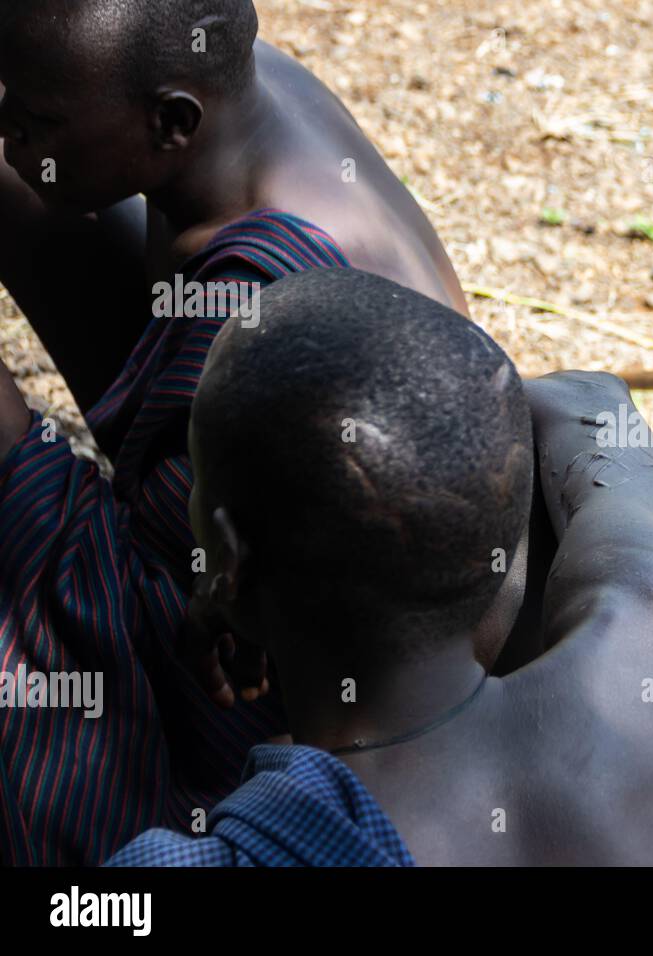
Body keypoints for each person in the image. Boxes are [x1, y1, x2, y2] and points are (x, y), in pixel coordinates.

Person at [0, 0, 466, 864]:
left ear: (172, 121)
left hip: (300, 653)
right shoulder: (231, 83)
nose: (11, 133)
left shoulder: (277, 289)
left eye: (34, 122)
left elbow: (252, 606)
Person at [106, 269, 653, 866]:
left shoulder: (256, 853)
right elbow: (589, 397)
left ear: (228, 556)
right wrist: (446, 430)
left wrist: (226, 582)